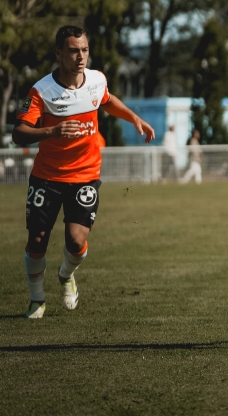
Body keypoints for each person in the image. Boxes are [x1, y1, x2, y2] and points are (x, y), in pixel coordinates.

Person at [14, 25, 155, 319]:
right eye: (74, 51)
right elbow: (19, 133)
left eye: (85, 50)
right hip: (47, 178)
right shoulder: (41, 91)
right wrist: (51, 131)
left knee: (77, 242)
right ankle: (37, 298)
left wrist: (134, 118)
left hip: (86, 174)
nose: (81, 57)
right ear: (58, 53)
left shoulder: (96, 80)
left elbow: (106, 100)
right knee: (38, 240)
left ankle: (66, 276)